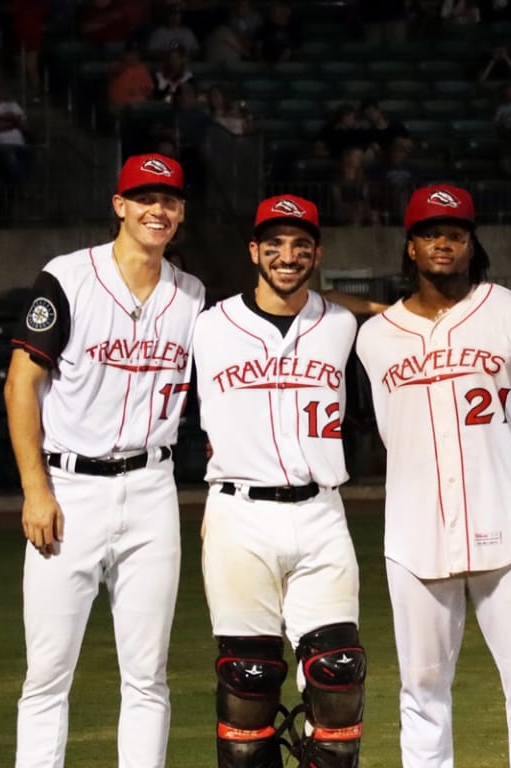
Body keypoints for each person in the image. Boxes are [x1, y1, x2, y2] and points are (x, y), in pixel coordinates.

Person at [353, 184, 511, 767]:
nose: (444, 243)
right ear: (410, 247)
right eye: (431, 234)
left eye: (456, 234)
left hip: (509, 530)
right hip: (414, 538)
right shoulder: (373, 337)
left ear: (471, 243)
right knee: (421, 694)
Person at [5, 153, 205, 768]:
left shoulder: (191, 294)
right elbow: (20, 385)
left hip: (152, 488)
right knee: (48, 672)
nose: (158, 209)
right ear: (119, 206)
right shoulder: (66, 278)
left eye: (169, 199)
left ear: (181, 212)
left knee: (148, 675)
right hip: (71, 488)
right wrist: (35, 490)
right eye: (145, 198)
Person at [191, 194, 366, 768]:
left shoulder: (342, 324)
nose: (286, 256)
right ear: (253, 251)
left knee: (339, 672)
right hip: (239, 513)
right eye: (274, 245)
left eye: (299, 245)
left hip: (322, 511)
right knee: (249, 676)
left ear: (316, 253)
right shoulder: (207, 326)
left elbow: (398, 322)